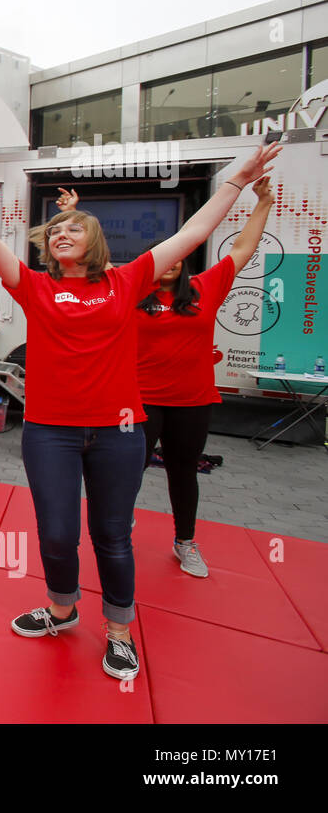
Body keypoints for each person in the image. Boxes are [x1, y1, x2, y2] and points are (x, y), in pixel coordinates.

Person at [0, 142, 282, 682]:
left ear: (96, 243)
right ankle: (62, 610)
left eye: (75, 228)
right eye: (56, 229)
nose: (62, 233)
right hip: (49, 432)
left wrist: (238, 178)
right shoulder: (34, 287)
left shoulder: (127, 280)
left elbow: (194, 233)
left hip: (119, 431)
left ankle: (117, 630)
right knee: (58, 533)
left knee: (112, 534)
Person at [131, 180, 274, 578]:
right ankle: (119, 529)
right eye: (163, 255)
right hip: (140, 399)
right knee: (129, 468)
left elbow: (242, 249)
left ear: (184, 259)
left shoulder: (204, 289)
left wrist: (262, 203)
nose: (171, 260)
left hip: (192, 400)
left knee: (184, 470)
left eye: (178, 254)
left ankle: (185, 542)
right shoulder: (130, 295)